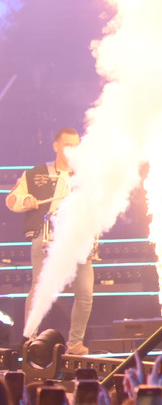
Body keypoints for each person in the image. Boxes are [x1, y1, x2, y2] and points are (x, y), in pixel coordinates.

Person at [5, 127, 95, 355]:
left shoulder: (87, 175)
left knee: (85, 292)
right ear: (56, 146)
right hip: (45, 237)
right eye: (67, 145)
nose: (72, 150)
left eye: (76, 145)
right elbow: (11, 200)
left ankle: (75, 343)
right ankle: (31, 339)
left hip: (77, 241)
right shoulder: (36, 173)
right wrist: (26, 199)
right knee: (39, 288)